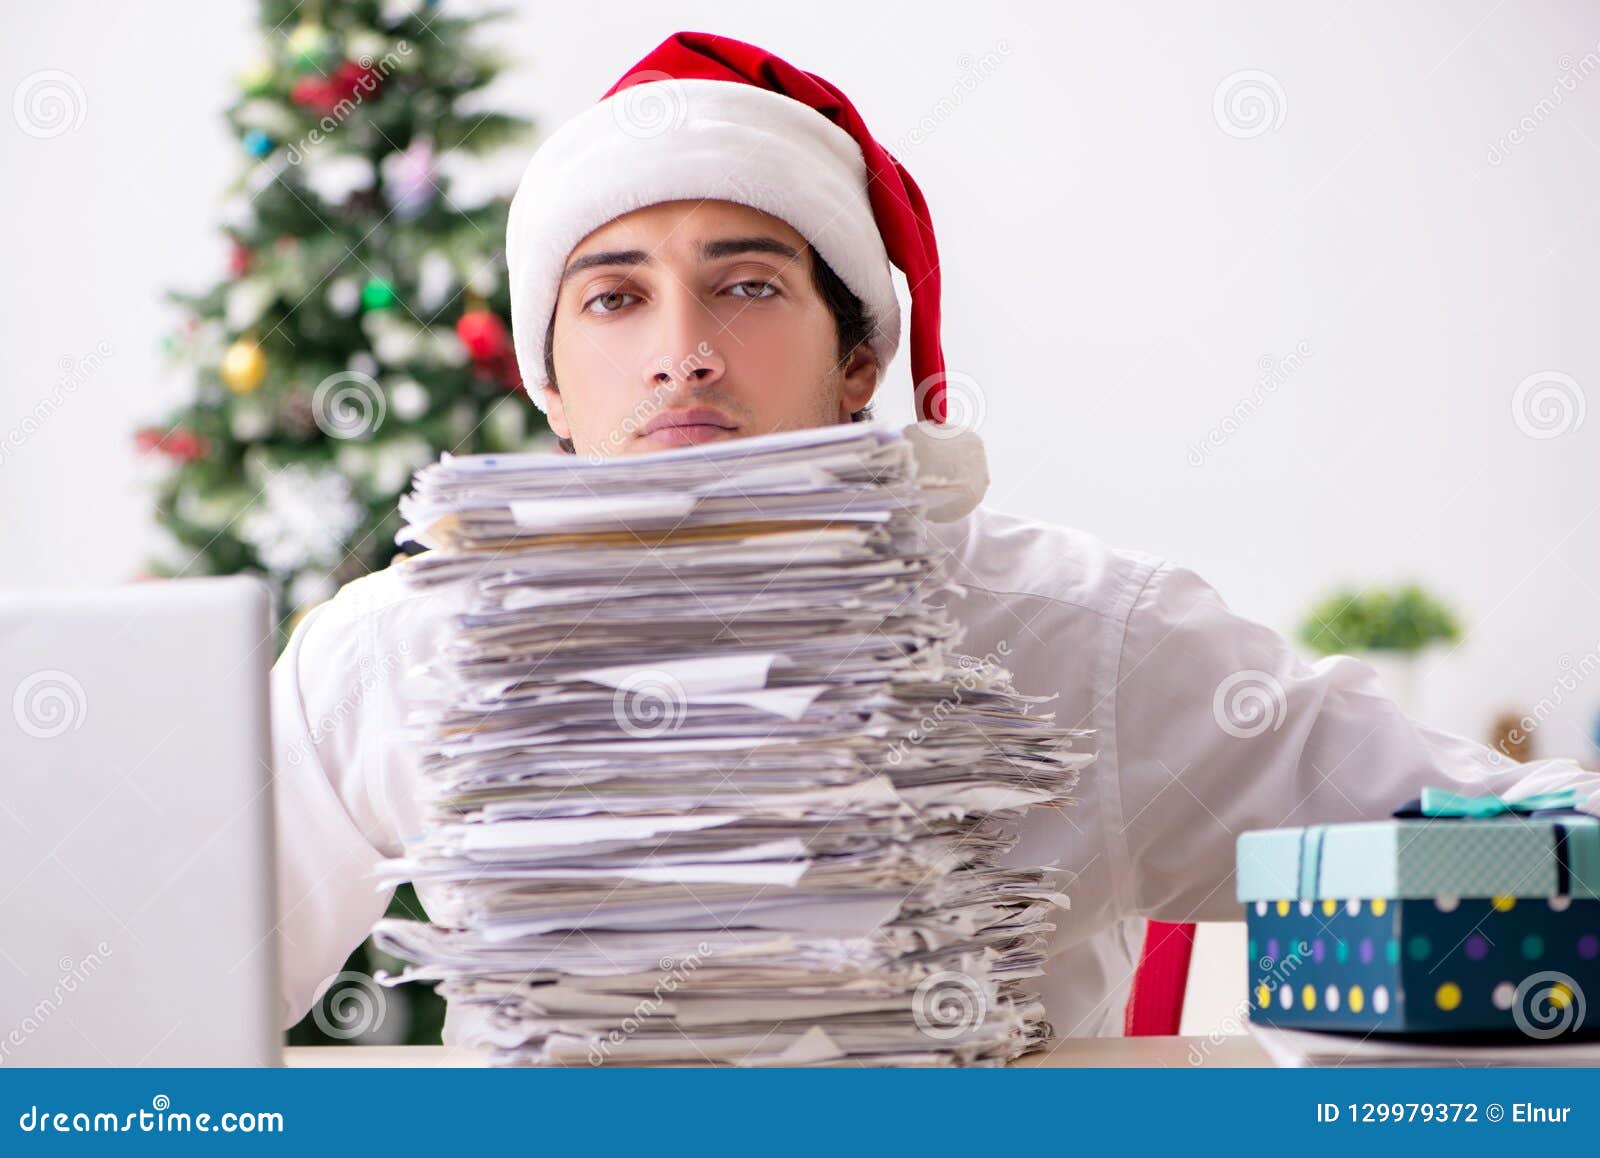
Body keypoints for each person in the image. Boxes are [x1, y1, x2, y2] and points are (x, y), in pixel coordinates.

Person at [270, 31, 1600, 1041]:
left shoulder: (1085, 633)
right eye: (614, 299)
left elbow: (1496, 842)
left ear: (859, 361)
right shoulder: (391, 658)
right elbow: (157, 983)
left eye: (746, 284)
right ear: (546, 388)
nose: (681, 352)